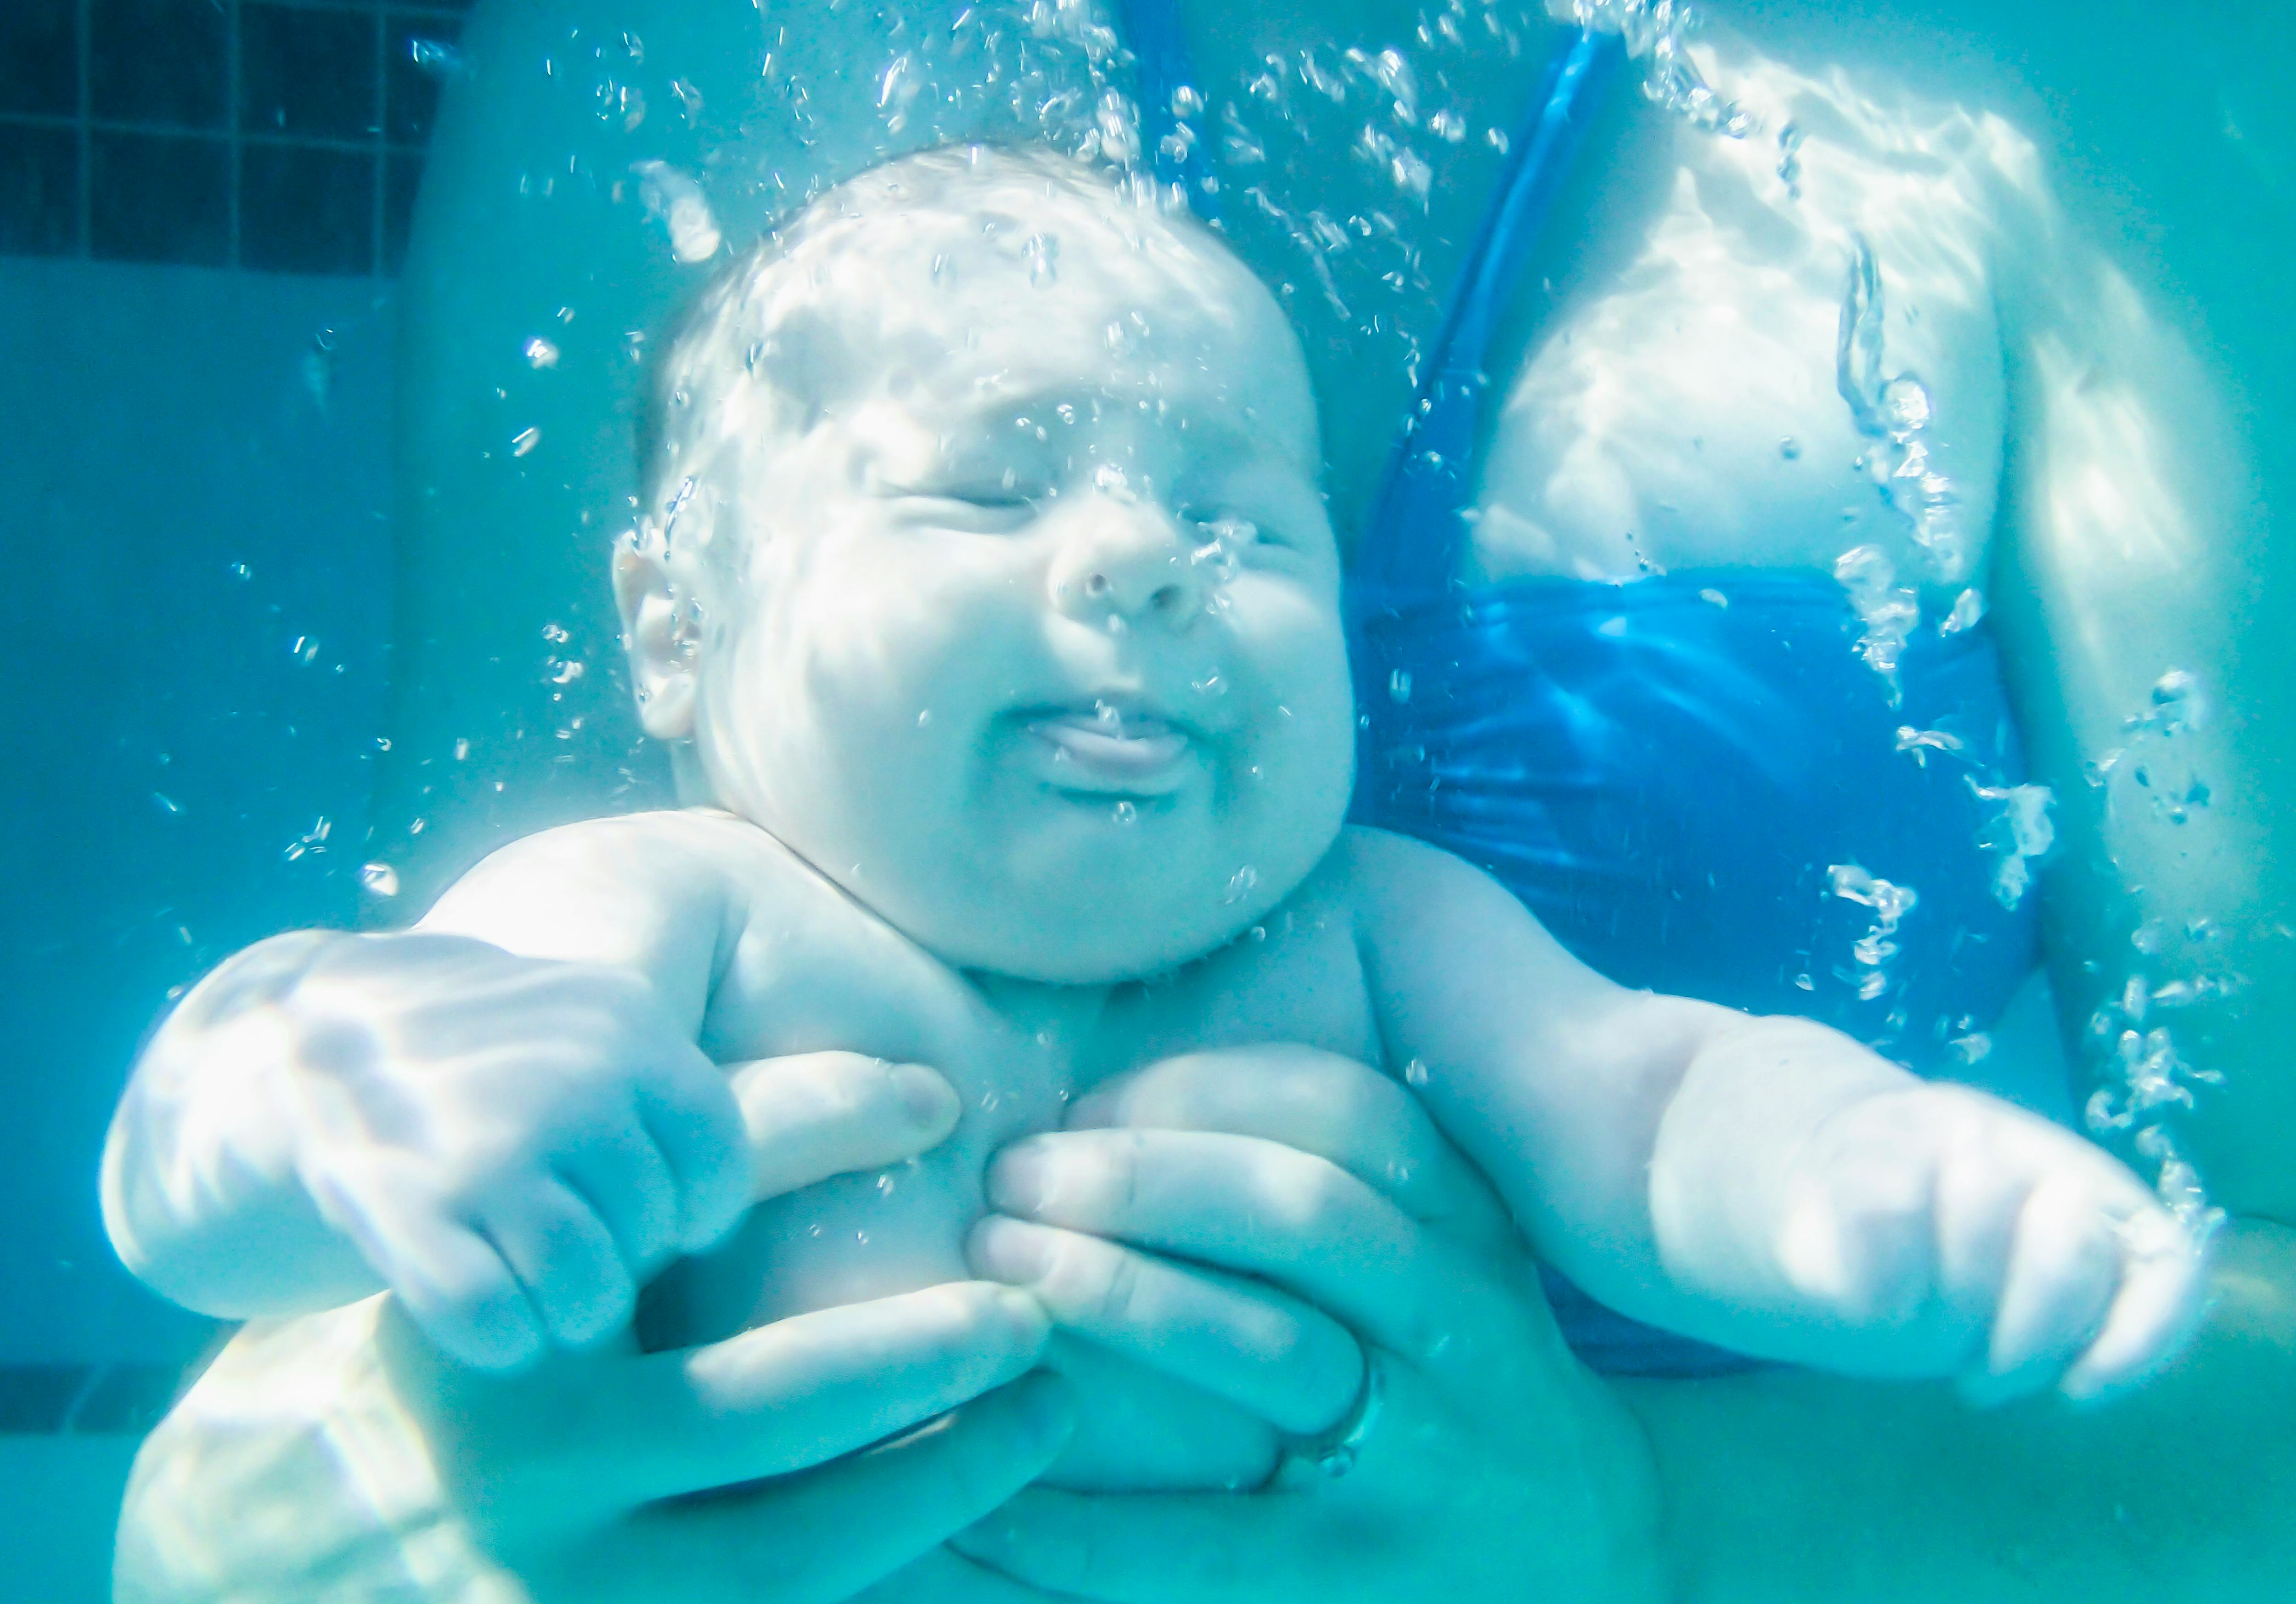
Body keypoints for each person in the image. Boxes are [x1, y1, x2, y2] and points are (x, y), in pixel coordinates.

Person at [115, 0, 2296, 1598]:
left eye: (1252, 534)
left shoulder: (1364, 918)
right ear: (670, 629)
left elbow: (1654, 1107)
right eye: (987, 486)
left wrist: (1863, 1223)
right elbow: (316, 1111)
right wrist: (273, 1415)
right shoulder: (660, 894)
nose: (1142, 560)